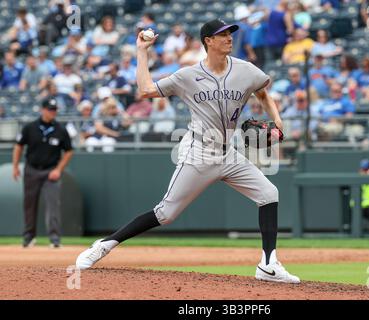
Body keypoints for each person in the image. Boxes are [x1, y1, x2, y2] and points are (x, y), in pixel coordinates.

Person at [75, 18, 300, 284]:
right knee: (165, 214)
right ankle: (105, 244)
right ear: (208, 41)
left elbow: (262, 93)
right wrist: (142, 51)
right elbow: (146, 90)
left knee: (268, 193)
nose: (229, 38)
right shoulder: (187, 76)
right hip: (198, 153)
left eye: (230, 33)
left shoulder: (246, 70)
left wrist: (278, 119)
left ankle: (268, 264)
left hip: (229, 153)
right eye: (223, 34)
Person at [12, 98, 74, 248]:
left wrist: (59, 169)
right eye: (50, 109)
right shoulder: (30, 127)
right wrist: (15, 166)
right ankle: (28, 237)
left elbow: (69, 151)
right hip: (31, 169)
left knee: (53, 206)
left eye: (54, 109)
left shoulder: (60, 129)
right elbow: (19, 146)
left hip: (50, 171)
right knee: (29, 205)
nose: (53, 112)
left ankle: (54, 239)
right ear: (42, 110)